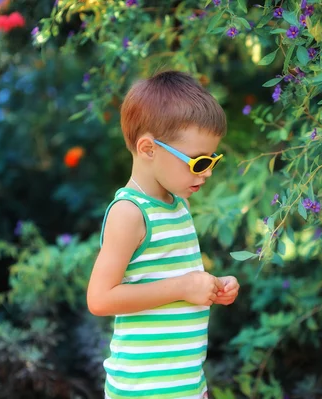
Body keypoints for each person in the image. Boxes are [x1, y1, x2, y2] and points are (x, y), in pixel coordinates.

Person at [86, 70, 240, 399]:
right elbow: (100, 299)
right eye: (198, 162)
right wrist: (183, 287)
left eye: (213, 159)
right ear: (148, 149)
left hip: (186, 387)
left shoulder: (177, 203)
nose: (208, 172)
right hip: (144, 391)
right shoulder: (129, 213)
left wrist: (212, 287)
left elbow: (170, 280)